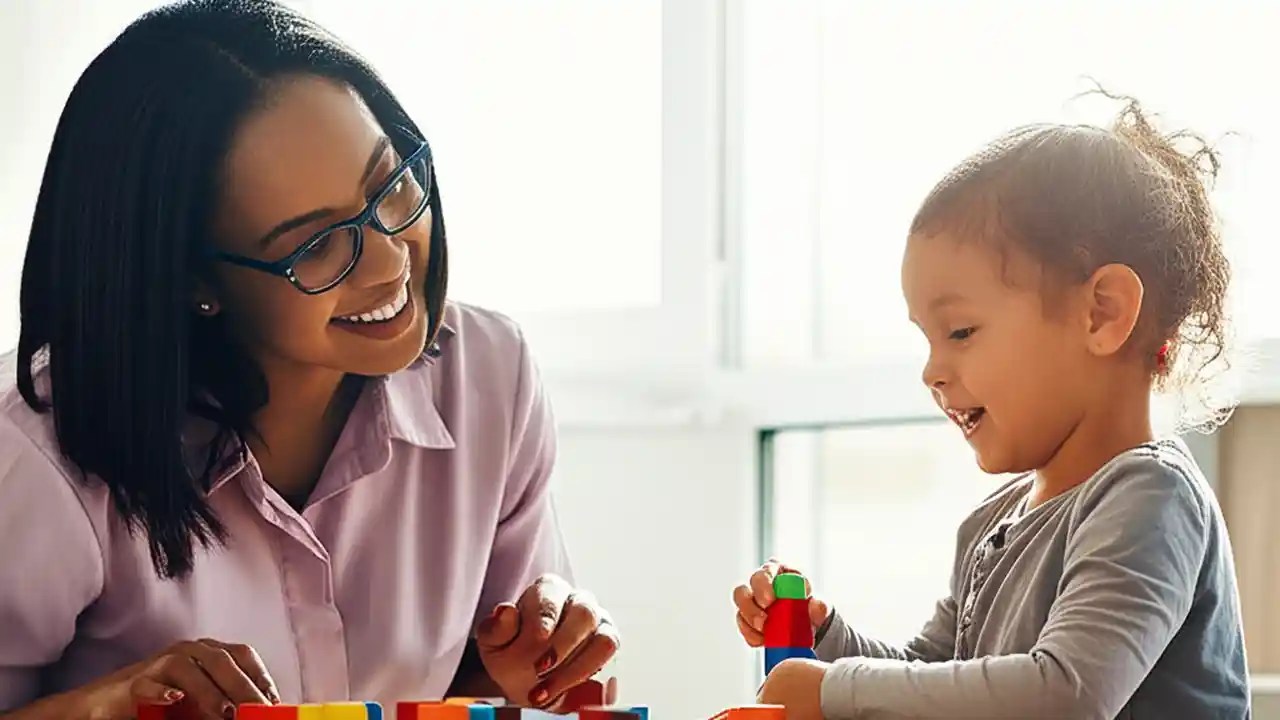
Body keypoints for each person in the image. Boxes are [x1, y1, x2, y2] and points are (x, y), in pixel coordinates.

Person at [0, 1, 619, 718]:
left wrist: (530, 670)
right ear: (194, 282)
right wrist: (107, 705)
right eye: (315, 245)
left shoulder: (487, 376)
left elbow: (517, 696)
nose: (389, 261)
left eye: (391, 187)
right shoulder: (39, 455)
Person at [732, 96, 1250, 719]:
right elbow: (939, 681)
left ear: (1102, 313)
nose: (932, 371)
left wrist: (834, 690)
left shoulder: (1149, 497)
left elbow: (1065, 695)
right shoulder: (990, 527)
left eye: (960, 333)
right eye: (927, 339)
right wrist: (823, 644)